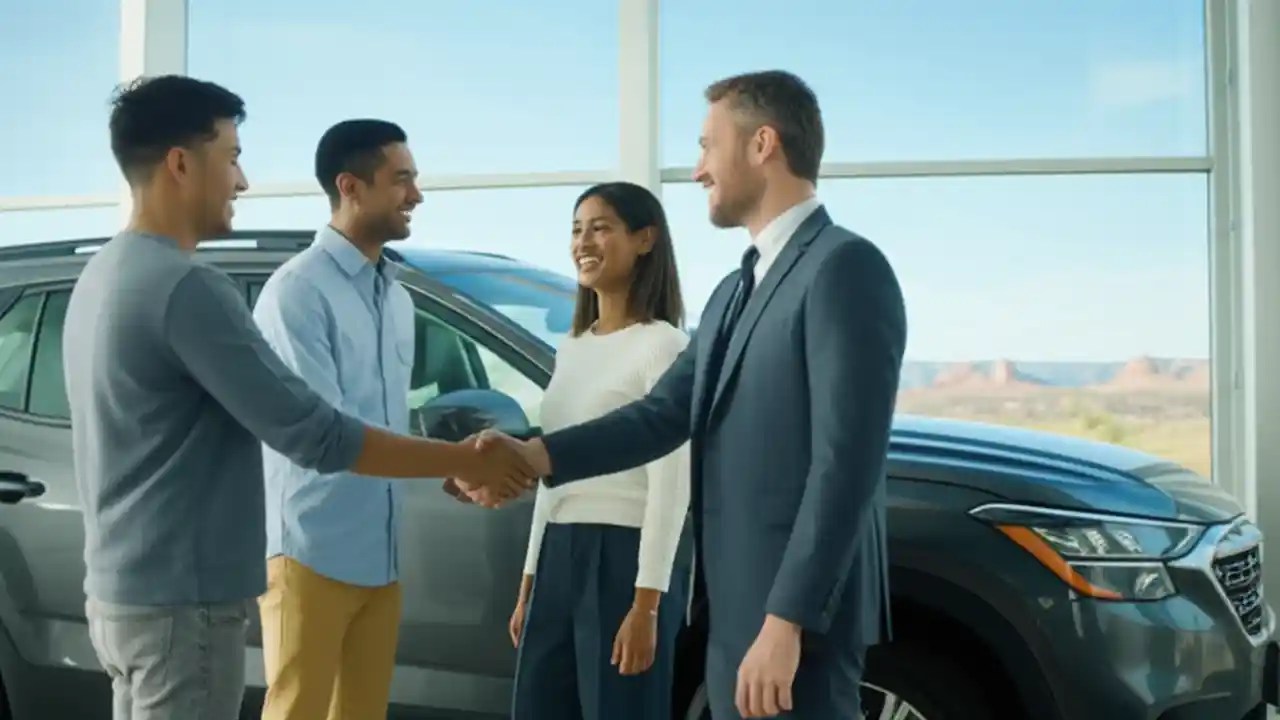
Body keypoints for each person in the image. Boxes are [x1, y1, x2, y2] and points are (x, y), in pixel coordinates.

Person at [62, 76, 533, 720]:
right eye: (230, 157)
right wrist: (463, 459)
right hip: (186, 599)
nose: (242, 180)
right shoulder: (187, 288)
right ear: (179, 164)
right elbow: (318, 435)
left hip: (128, 594)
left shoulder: (105, 275)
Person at [457, 70, 906, 719]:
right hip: (731, 618)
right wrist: (530, 457)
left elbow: (847, 467)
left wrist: (787, 621)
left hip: (793, 623)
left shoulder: (844, 269)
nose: (697, 170)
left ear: (762, 145)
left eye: (707, 146)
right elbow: (658, 417)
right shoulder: (733, 291)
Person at [252, 119, 423, 720]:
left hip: (382, 554)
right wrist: (453, 461)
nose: (417, 196)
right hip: (312, 553)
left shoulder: (397, 297)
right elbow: (326, 434)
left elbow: (388, 422)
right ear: (351, 186)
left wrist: (444, 465)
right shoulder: (297, 292)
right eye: (402, 180)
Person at [506, 182, 693, 720]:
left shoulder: (663, 346)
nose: (584, 241)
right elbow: (554, 468)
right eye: (576, 228)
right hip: (558, 557)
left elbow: (671, 484)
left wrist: (647, 604)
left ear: (644, 239)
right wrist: (529, 583)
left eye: (601, 226)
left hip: (625, 561)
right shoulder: (574, 349)